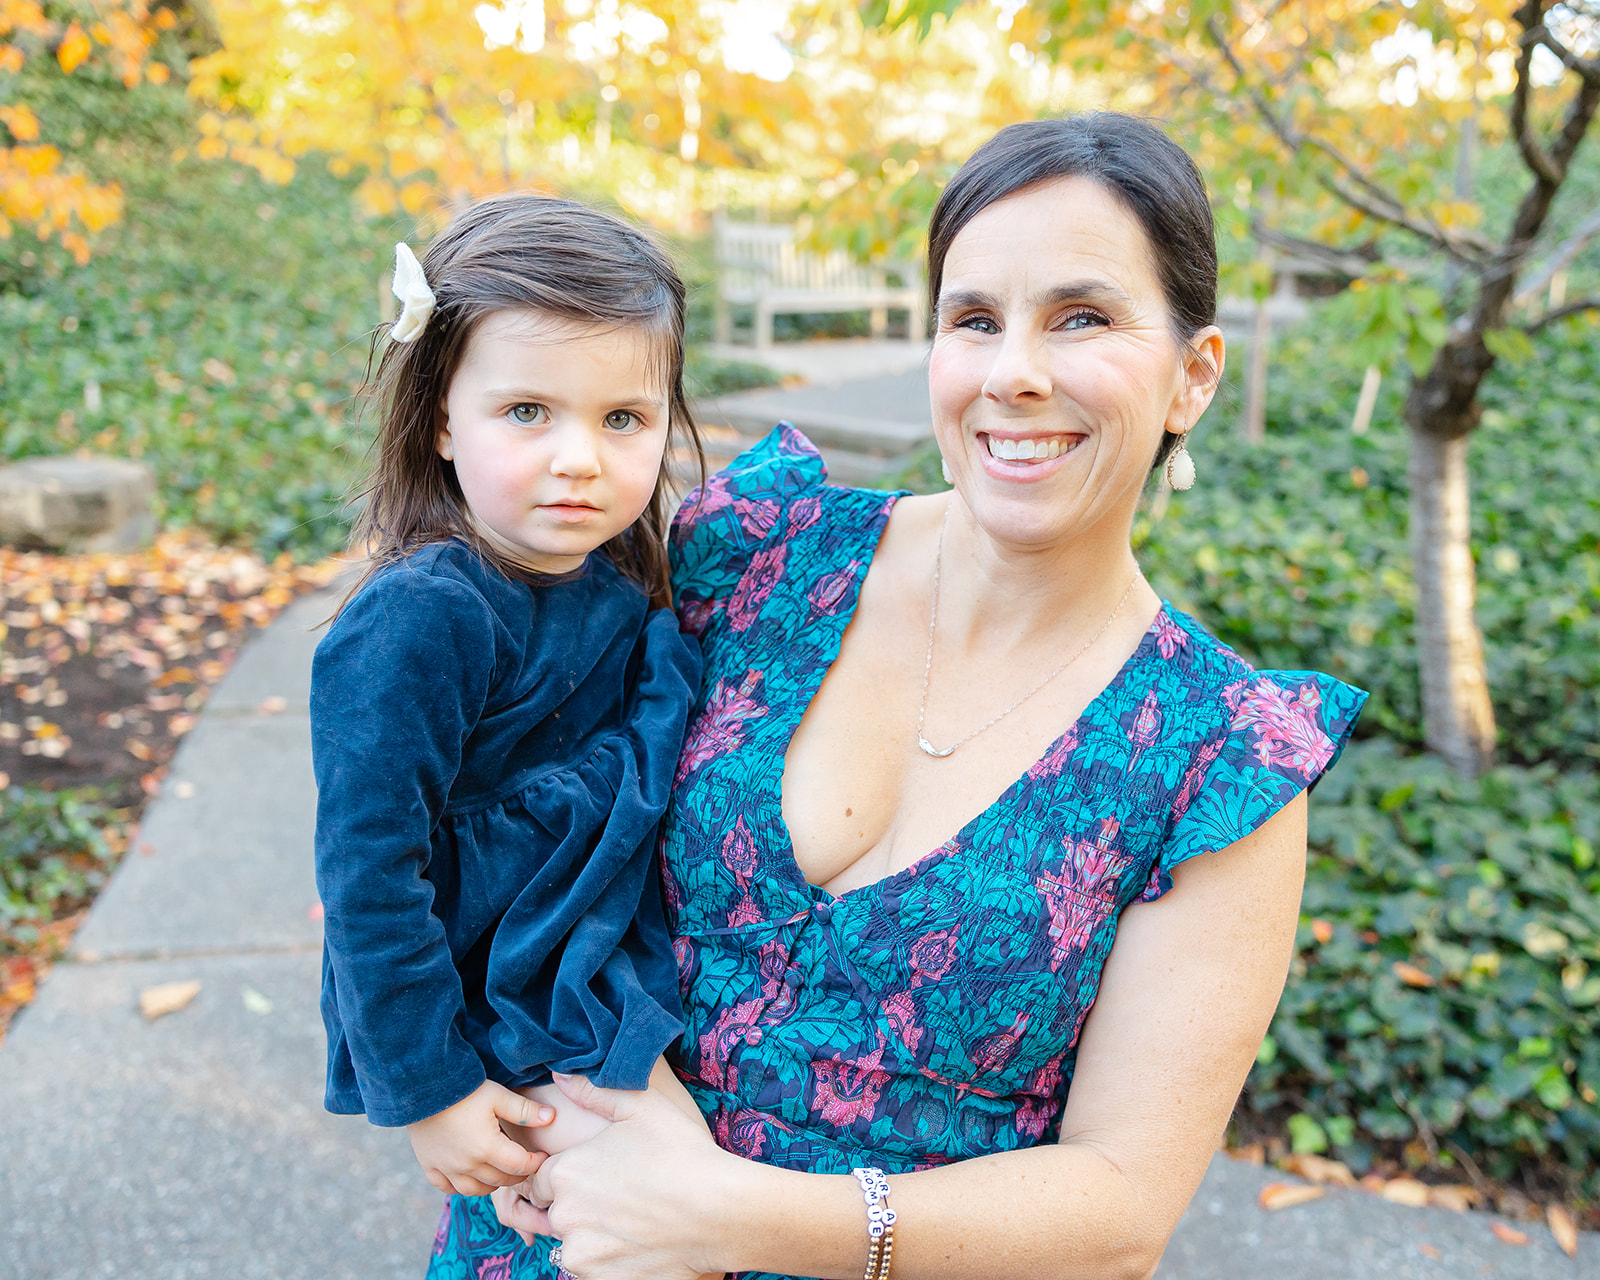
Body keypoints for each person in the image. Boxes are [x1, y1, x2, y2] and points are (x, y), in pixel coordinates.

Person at [439, 113, 1369, 1280]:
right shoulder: (759, 554)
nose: (1012, 370)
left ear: (1194, 373)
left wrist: (725, 1210)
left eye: (1080, 317)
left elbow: (1120, 1204)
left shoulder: (1217, 764)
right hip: (561, 1228)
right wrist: (581, 1094)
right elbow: (502, 806)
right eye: (972, 319)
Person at [309, 196, 709, 1214]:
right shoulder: (423, 618)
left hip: (593, 944)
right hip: (492, 988)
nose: (580, 457)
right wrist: (430, 1090)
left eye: (623, 418)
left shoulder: (617, 568)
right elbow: (368, 868)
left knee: (685, 1182)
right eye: (528, 412)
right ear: (442, 415)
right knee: (635, 1206)